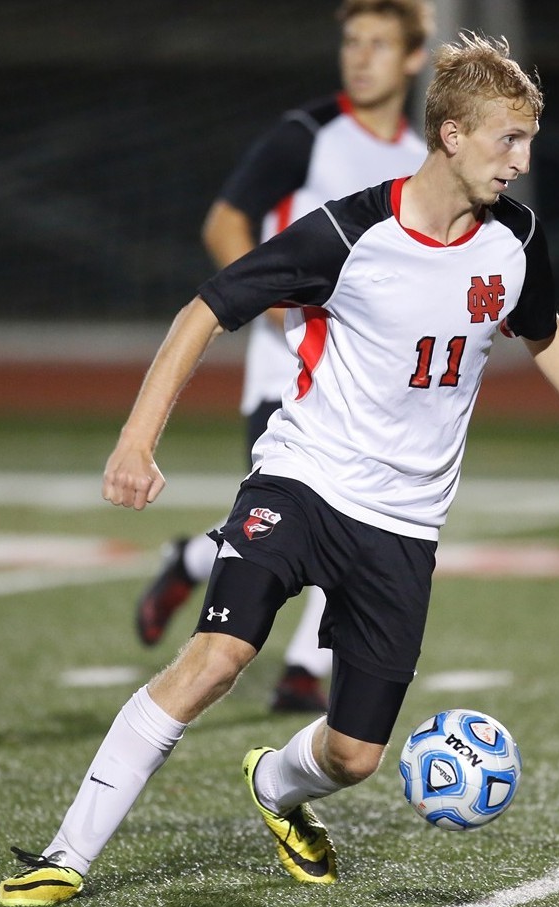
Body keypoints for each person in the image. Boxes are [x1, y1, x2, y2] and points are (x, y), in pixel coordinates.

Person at [0, 31, 559, 907]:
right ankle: (64, 856)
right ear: (452, 134)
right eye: (509, 139)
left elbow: (543, 332)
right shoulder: (349, 231)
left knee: (353, 757)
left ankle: (273, 786)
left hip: (404, 525)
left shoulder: (515, 238)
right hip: (303, 481)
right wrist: (136, 438)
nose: (521, 161)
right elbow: (206, 310)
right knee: (216, 659)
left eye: (528, 141)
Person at [134, 0, 433, 715]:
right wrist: (275, 303)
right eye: (352, 42)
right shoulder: (305, 134)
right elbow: (224, 223)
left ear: (413, 59)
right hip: (287, 366)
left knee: (346, 513)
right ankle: (300, 667)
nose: (360, 56)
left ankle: (201, 570)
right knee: (308, 515)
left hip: (369, 379)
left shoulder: (420, 157)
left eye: (379, 44)